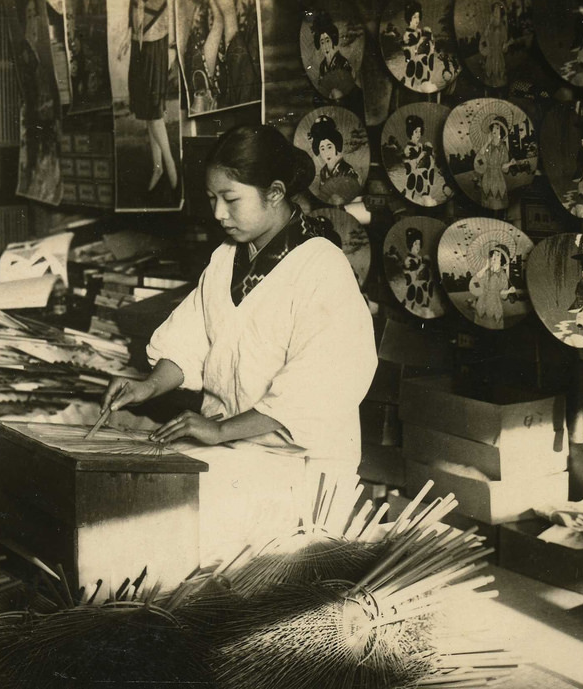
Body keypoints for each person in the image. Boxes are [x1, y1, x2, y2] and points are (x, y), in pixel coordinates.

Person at [99, 124, 377, 560]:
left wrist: (221, 429)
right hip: (230, 452)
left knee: (171, 532)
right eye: (212, 200)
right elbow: (192, 336)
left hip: (299, 468)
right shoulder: (226, 258)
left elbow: (318, 388)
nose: (218, 215)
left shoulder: (323, 268)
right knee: (144, 508)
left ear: (275, 192)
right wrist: (148, 386)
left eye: (231, 200)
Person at [119, 0, 178, 191]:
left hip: (157, 39)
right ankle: (158, 168)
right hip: (139, 41)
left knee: (154, 110)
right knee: (147, 109)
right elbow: (135, 6)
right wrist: (127, 37)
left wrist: (173, 49)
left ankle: (171, 169)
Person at [309, 114, 360, 205]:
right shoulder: (323, 172)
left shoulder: (347, 170)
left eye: (329, 147)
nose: (326, 153)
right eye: (322, 149)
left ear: (336, 146)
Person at [469, 244, 515, 328]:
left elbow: (502, 295)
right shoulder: (485, 272)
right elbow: (475, 284)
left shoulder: (503, 276)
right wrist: (485, 267)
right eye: (493, 254)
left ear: (502, 259)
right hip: (481, 305)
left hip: (495, 307)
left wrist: (509, 291)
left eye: (498, 255)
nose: (494, 256)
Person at [473, 115, 514, 209]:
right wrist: (487, 142)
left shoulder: (503, 148)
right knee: (486, 202)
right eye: (494, 127)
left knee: (497, 202)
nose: (494, 130)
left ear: (502, 131)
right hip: (487, 177)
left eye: (497, 128)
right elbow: (480, 157)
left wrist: (510, 163)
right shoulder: (488, 146)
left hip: (498, 178)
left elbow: (504, 167)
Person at [313, 10, 355, 99]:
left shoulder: (343, 62)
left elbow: (348, 88)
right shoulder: (322, 66)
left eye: (328, 41)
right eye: (322, 42)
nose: (326, 46)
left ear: (333, 40)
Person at [400, 1, 436, 91]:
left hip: (424, 66)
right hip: (414, 68)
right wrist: (420, 43)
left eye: (418, 17)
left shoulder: (420, 32)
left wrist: (430, 37)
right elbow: (409, 55)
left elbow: (430, 45)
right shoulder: (407, 35)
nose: (417, 20)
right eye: (414, 17)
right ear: (409, 19)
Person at [401, 227, 437, 317]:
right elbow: (408, 271)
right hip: (413, 285)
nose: (417, 246)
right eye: (415, 244)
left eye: (419, 244)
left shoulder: (420, 258)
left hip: (423, 286)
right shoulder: (409, 260)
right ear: (410, 245)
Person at [401, 114, 437, 205]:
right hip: (413, 177)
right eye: (416, 131)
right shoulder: (408, 149)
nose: (419, 134)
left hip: (423, 177)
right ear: (410, 132)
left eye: (420, 132)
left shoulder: (421, 146)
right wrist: (422, 156)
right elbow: (412, 163)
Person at [478, 1, 509, 86]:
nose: (496, 13)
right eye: (495, 11)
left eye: (498, 11)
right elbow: (483, 40)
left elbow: (505, 45)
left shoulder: (503, 27)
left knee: (500, 78)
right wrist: (488, 26)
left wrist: (505, 46)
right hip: (490, 57)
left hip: (499, 57)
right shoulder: (489, 26)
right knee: (489, 78)